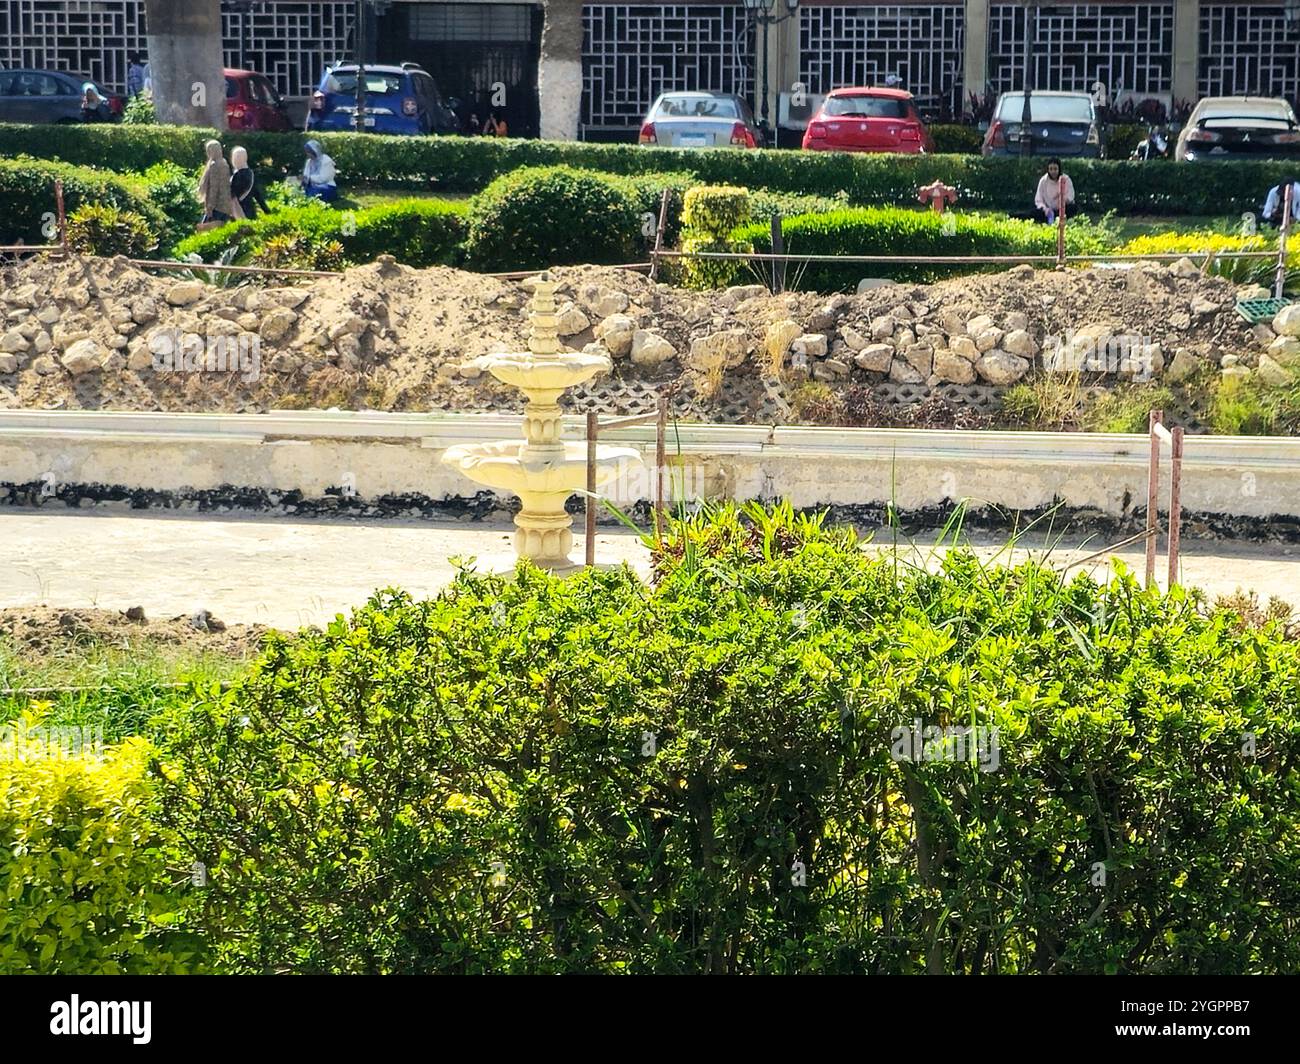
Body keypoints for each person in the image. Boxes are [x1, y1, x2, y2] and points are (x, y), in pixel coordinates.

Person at [197, 139, 236, 225]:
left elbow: (214, 187)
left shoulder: (214, 165)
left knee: (205, 231)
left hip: (216, 206)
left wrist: (210, 207)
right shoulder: (224, 163)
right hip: (225, 206)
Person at [230, 146, 269, 220]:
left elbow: (232, 194)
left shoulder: (239, 175)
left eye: (237, 157)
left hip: (239, 212)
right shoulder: (251, 174)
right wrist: (267, 211)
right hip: (248, 212)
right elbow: (258, 196)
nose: (235, 160)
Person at [1034, 158, 1075, 224]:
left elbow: (1070, 196)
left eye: (1055, 169)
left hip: (1063, 208)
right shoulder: (1043, 180)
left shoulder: (1066, 179)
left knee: (1072, 208)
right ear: (1048, 169)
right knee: (1036, 212)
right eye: (1051, 169)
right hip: (1048, 210)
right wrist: (1046, 209)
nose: (1053, 171)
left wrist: (1062, 199)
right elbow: (1038, 200)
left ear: (1059, 169)